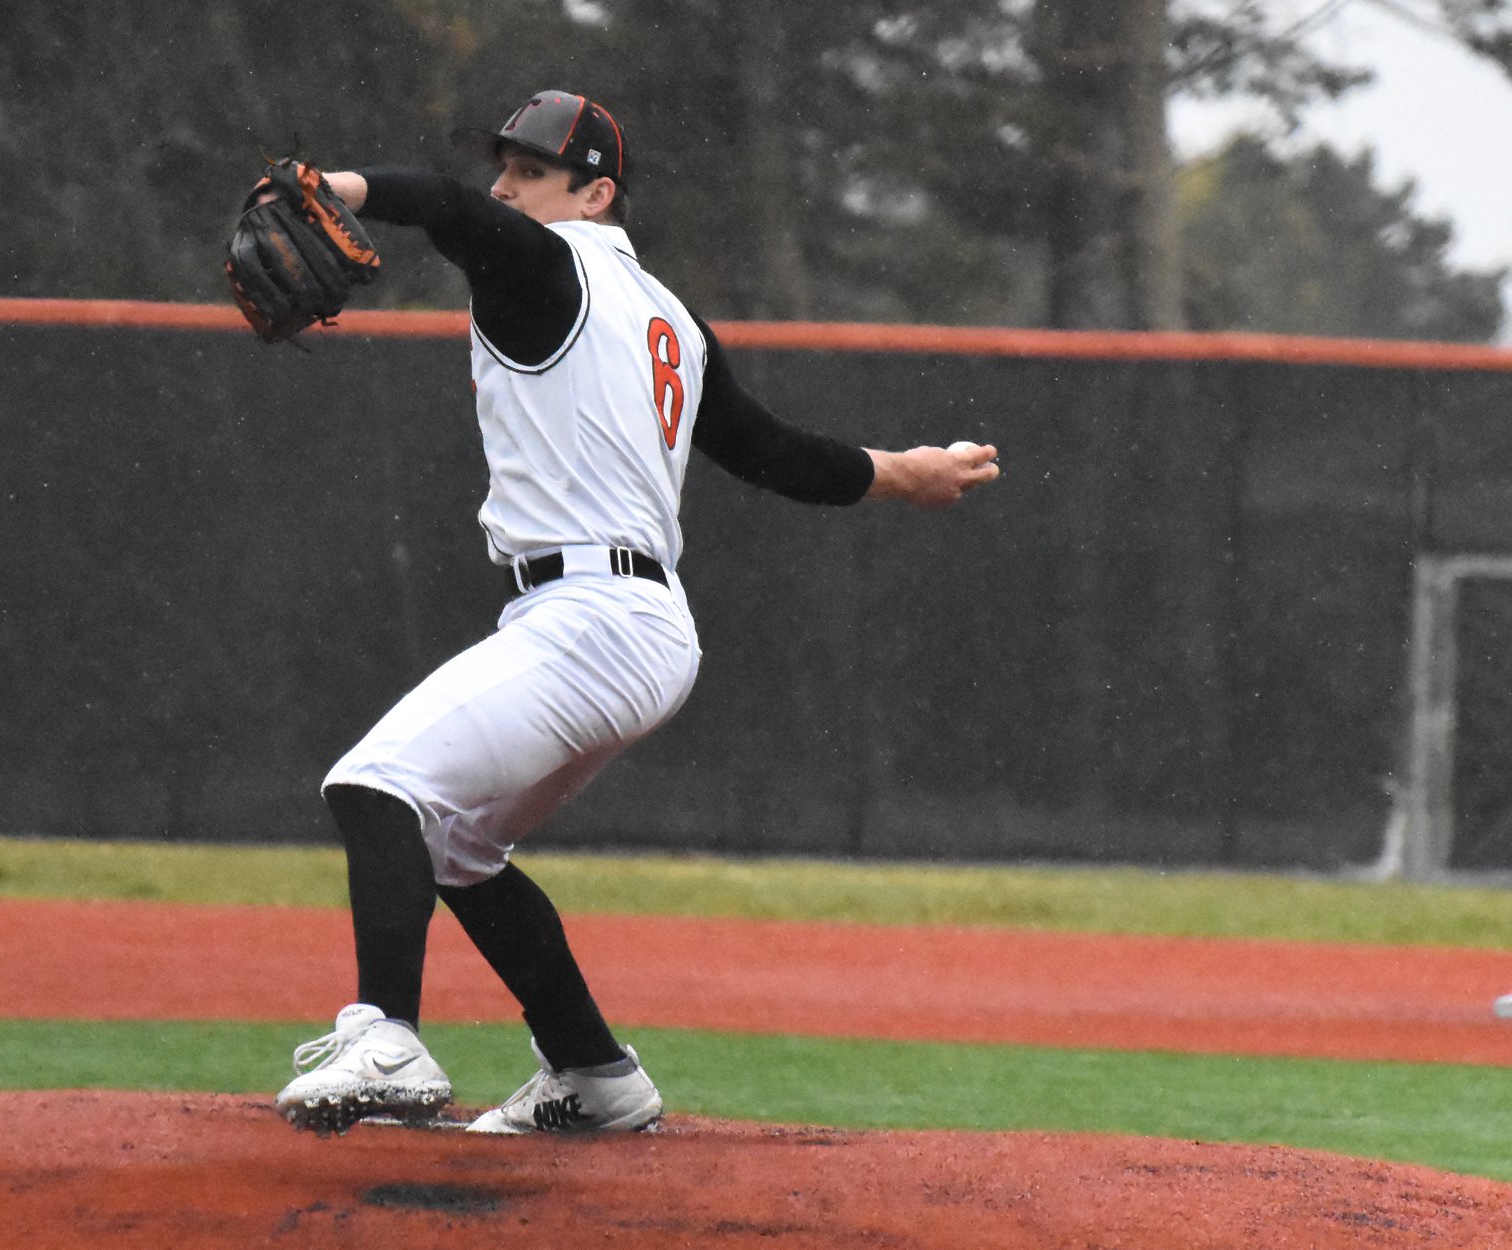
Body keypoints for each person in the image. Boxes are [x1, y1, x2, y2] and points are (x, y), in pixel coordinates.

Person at [273, 89, 1000, 1137]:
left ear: (595, 191)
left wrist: (334, 187)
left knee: (375, 784)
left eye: (529, 170)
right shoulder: (669, 315)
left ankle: (384, 1032)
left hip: (591, 615)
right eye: (505, 167)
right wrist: (902, 472)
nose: (505, 187)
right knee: (460, 849)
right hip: (638, 627)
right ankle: (593, 1070)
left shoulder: (547, 263)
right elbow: (767, 450)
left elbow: (443, 208)